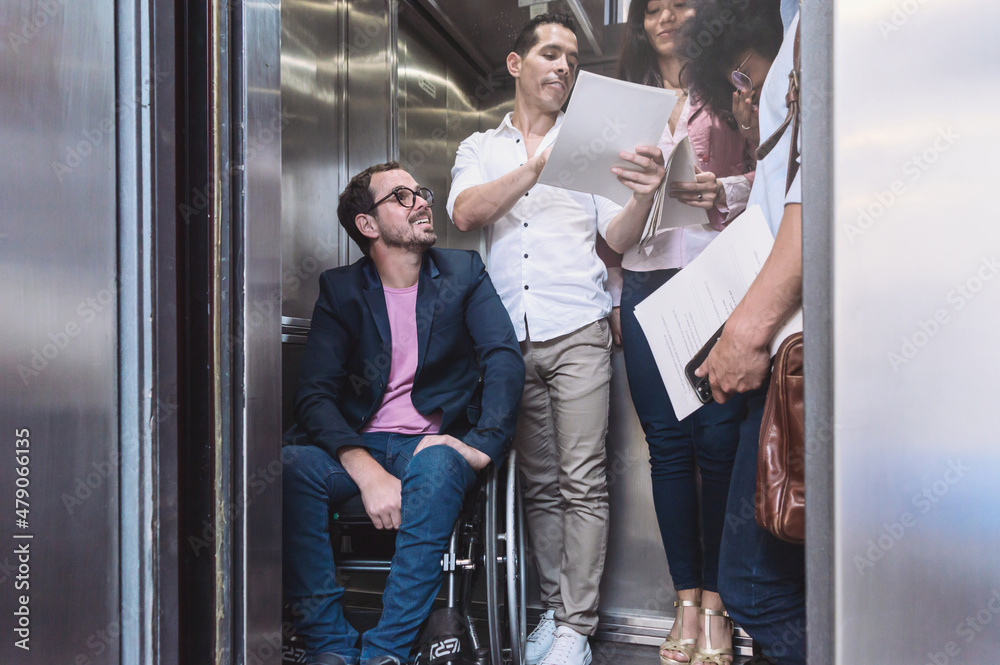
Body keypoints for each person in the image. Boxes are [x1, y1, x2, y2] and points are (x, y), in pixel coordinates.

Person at [447, 13, 665, 665]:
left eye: (572, 58)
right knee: (538, 485)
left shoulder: (592, 142)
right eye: (549, 53)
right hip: (507, 340)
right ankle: (553, 609)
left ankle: (575, 624)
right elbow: (465, 211)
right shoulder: (480, 147)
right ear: (517, 65)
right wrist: (537, 168)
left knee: (583, 481)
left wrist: (643, 197)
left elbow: (616, 237)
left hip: (577, 329)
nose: (564, 66)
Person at [282, 162, 526, 665]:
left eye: (421, 192)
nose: (421, 202)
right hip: (362, 444)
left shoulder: (463, 273)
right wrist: (367, 471)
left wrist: (481, 447)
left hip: (432, 446)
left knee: (437, 464)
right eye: (401, 196)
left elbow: (502, 358)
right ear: (367, 225)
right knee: (290, 467)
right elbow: (314, 396)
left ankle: (384, 653)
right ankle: (329, 646)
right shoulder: (341, 290)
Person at [607, 0, 771, 663]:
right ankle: (684, 602)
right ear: (640, 24)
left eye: (680, 3)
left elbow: (781, 175)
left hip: (716, 280)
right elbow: (608, 231)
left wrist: (723, 191)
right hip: (646, 284)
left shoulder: (733, 86)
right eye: (653, 8)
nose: (666, 17)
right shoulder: (624, 107)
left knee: (719, 446)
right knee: (668, 451)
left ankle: (719, 606)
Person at [683, 1, 807, 662]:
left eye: (742, 77)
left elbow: (817, 188)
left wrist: (749, 328)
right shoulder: (797, 27)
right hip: (788, 345)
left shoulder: (815, 27)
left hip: (792, 349)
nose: (745, 91)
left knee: (757, 586)